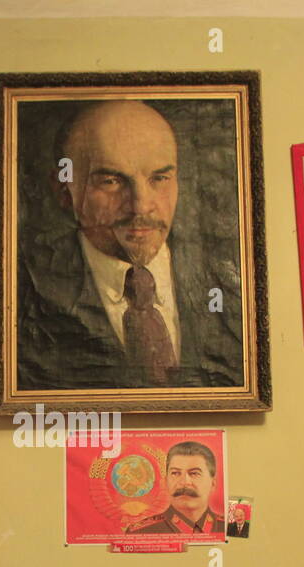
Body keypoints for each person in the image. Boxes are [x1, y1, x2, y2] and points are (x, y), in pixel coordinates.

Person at [16, 100, 246, 390]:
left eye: (159, 178)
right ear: (65, 191)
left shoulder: (229, 280)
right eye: (112, 181)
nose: (140, 206)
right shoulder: (26, 292)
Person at [126, 440, 224, 534]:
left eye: (194, 473)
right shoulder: (139, 533)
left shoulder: (227, 528)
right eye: (176, 473)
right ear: (165, 482)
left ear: (213, 484)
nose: (184, 482)